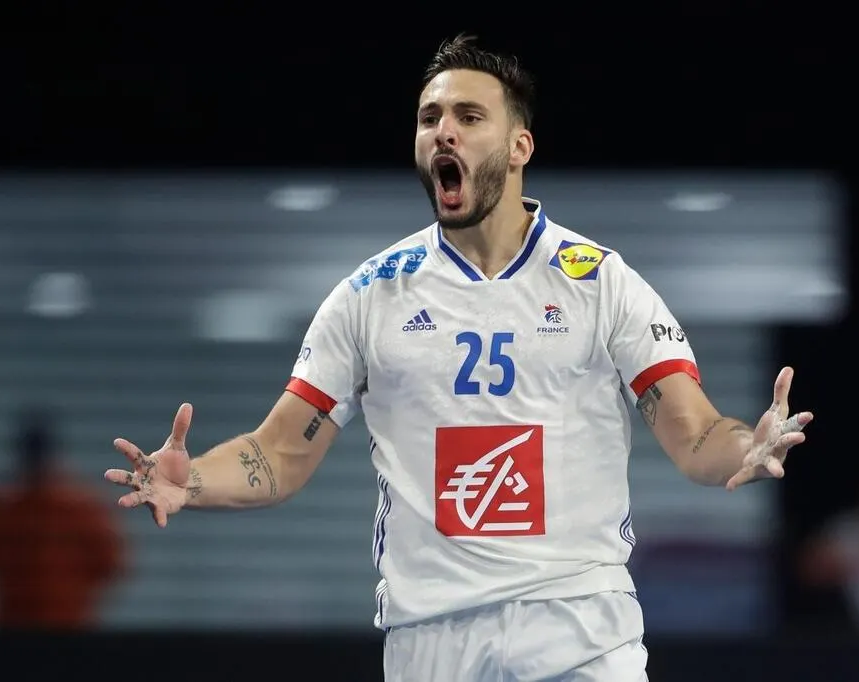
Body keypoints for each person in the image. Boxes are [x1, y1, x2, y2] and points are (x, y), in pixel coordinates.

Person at [105, 35, 813, 681]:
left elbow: (694, 433)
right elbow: (279, 452)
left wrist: (745, 446)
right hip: (430, 639)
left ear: (519, 146)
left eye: (469, 116)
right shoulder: (369, 295)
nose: (443, 129)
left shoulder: (601, 282)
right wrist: (193, 481)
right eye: (430, 117)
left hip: (578, 629)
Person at [0, 408, 125, 629]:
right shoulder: (6, 510)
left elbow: (110, 563)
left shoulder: (79, 510)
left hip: (60, 623)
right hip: (23, 624)